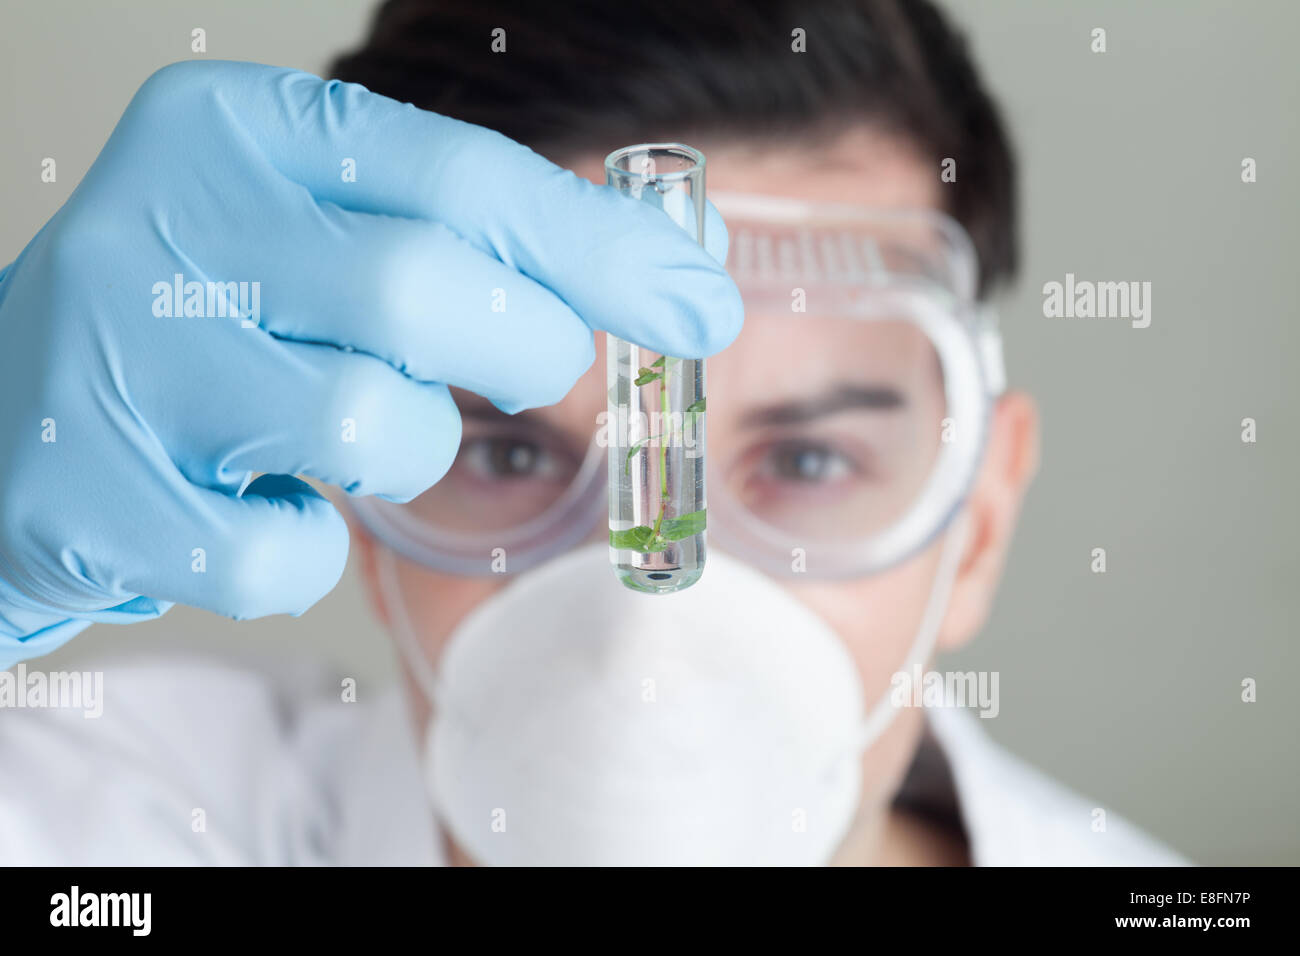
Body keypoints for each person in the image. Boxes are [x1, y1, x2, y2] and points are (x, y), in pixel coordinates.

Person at [0, 0, 1184, 865]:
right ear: (362, 501)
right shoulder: (113, 818)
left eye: (807, 461)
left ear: (977, 521)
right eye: (511, 454)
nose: (647, 611)